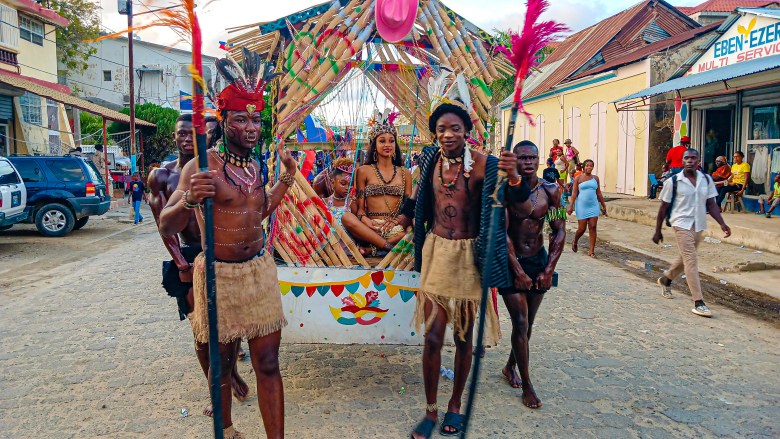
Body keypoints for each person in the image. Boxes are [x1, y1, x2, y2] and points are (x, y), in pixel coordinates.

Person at [159, 61, 296, 439]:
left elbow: (259, 210)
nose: (251, 129)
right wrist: (188, 199)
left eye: (255, 121)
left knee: (268, 362)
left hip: (258, 272)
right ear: (223, 120)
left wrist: (286, 177)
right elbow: (165, 224)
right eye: (241, 120)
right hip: (219, 276)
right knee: (220, 367)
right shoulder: (203, 168)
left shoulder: (254, 165)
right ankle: (227, 431)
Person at [390, 93, 527, 438]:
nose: (447, 134)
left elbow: (516, 202)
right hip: (437, 251)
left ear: (467, 131)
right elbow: (417, 201)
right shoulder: (430, 161)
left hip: (470, 256)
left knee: (464, 336)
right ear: (434, 134)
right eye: (441, 129)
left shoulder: (486, 164)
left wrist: (512, 179)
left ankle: (455, 405)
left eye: (454, 128)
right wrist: (400, 224)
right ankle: (431, 410)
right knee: (433, 336)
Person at [148, 113, 249, 416]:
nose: (186, 139)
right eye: (181, 133)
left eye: (193, 134)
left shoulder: (218, 170)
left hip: (220, 254)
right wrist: (181, 263)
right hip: (189, 257)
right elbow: (162, 224)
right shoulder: (162, 176)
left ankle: (229, 371)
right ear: (174, 136)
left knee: (231, 324)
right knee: (201, 331)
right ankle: (216, 390)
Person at [497, 140, 565, 409]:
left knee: (527, 325)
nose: (527, 162)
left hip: (538, 260)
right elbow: (502, 233)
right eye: (522, 158)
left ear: (539, 160)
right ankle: (527, 385)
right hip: (510, 262)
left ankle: (509, 367)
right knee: (521, 322)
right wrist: (517, 270)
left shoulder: (551, 191)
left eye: (531, 158)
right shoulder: (504, 192)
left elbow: (559, 230)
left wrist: (549, 268)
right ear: (514, 161)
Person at [653, 148, 731, 317]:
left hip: (698, 224)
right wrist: (657, 230)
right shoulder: (673, 181)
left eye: (693, 158)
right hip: (680, 223)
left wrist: (722, 224)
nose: (689, 160)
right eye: (686, 158)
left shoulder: (706, 180)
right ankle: (698, 301)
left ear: (698, 161)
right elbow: (663, 207)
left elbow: (711, 204)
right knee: (691, 259)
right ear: (682, 161)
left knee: (685, 257)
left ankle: (666, 279)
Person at [341, 112, 411, 256]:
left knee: (411, 231)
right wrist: (366, 221)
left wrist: (396, 223)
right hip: (370, 228)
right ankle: (388, 247)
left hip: (395, 229)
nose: (387, 145)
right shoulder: (363, 171)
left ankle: (373, 249)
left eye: (391, 141)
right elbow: (359, 210)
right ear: (374, 144)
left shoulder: (405, 173)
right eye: (382, 141)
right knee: (346, 217)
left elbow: (408, 209)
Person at [568, 159, 607, 257]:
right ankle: (575, 241)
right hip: (581, 205)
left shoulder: (596, 178)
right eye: (587, 166)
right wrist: (571, 206)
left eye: (591, 166)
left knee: (593, 227)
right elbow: (574, 194)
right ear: (583, 167)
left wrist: (603, 205)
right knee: (581, 228)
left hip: (593, 205)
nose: (589, 167)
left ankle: (591, 251)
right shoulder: (578, 178)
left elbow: (599, 193)